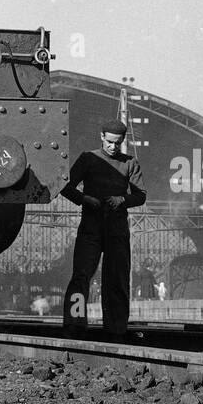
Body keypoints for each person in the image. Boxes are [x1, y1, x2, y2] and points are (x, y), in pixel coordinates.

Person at [60, 121, 146, 335]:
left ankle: (116, 328)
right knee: (81, 276)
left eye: (117, 143)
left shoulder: (130, 163)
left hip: (117, 230)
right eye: (109, 142)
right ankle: (75, 324)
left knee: (117, 279)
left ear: (123, 141)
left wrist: (122, 200)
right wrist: (85, 199)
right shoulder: (88, 159)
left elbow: (140, 196)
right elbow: (65, 186)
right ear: (101, 137)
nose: (113, 147)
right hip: (91, 227)